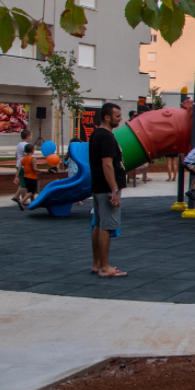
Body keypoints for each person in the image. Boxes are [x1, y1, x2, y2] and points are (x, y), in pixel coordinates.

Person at [90, 103, 127, 278]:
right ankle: (105, 267)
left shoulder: (96, 134)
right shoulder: (107, 137)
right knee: (106, 226)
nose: (120, 119)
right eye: (117, 116)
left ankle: (97, 264)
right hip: (106, 188)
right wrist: (114, 190)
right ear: (107, 117)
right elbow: (107, 165)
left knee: (98, 225)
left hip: (98, 186)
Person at [10, 129, 32, 208]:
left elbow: (16, 154)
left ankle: (16, 196)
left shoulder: (19, 144)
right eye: (31, 136)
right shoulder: (26, 145)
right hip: (24, 166)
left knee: (23, 181)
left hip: (19, 165)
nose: (31, 137)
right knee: (24, 184)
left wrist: (18, 161)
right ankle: (24, 199)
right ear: (28, 137)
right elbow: (28, 155)